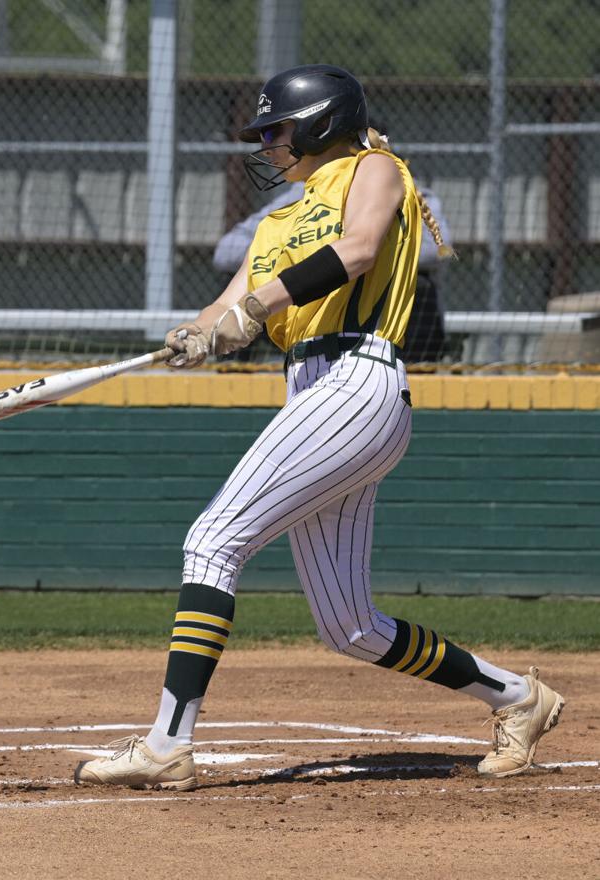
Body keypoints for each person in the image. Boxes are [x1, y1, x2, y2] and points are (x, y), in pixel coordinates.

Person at [73, 64, 564, 791]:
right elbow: (230, 302)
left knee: (212, 542)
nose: (267, 145)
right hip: (311, 390)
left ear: (321, 123)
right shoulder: (276, 222)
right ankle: (519, 698)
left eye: (276, 130)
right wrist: (200, 331)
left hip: (357, 378)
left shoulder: (374, 168)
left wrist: (257, 306)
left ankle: (166, 745)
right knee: (349, 626)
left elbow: (358, 249)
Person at [213, 133, 452, 362]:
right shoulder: (300, 194)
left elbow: (435, 251)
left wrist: (361, 243)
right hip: (310, 318)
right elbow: (226, 251)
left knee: (420, 286)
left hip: (380, 330)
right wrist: (301, 254)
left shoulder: (400, 183)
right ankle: (231, 372)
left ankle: (422, 367)